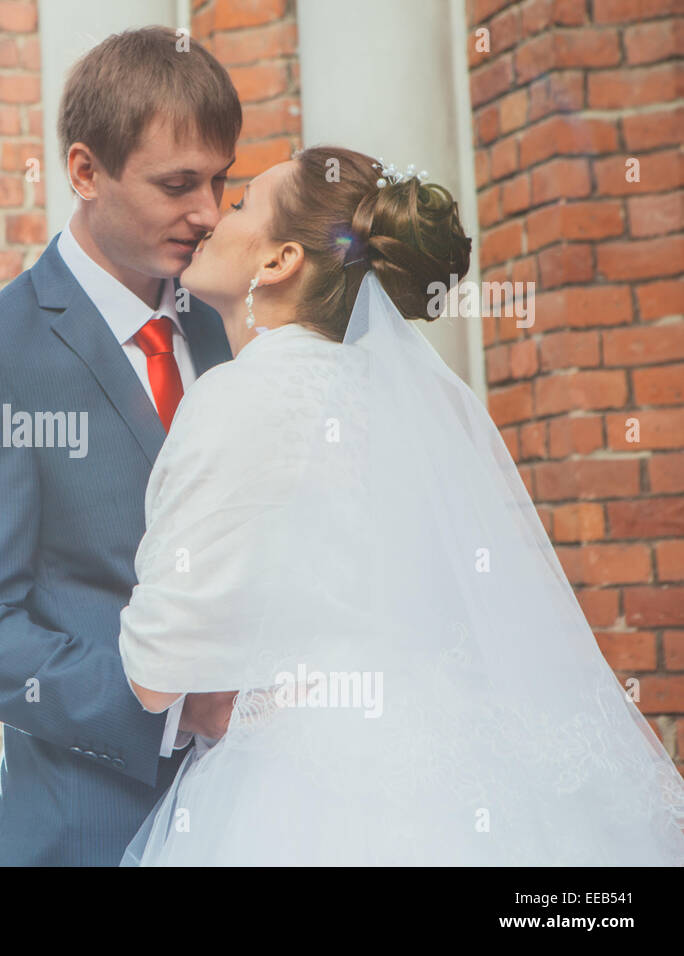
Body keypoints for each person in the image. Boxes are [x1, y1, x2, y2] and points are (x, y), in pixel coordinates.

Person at [118, 146, 684, 865]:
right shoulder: (423, 405)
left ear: (280, 260)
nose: (212, 217)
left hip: (302, 790)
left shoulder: (237, 399)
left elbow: (155, 669)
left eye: (240, 205)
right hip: (459, 759)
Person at [0, 26, 245, 866]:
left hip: (253, 809)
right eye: (177, 184)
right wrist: (174, 709)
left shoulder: (221, 326)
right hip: (90, 833)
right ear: (85, 171)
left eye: (219, 181)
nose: (206, 212)